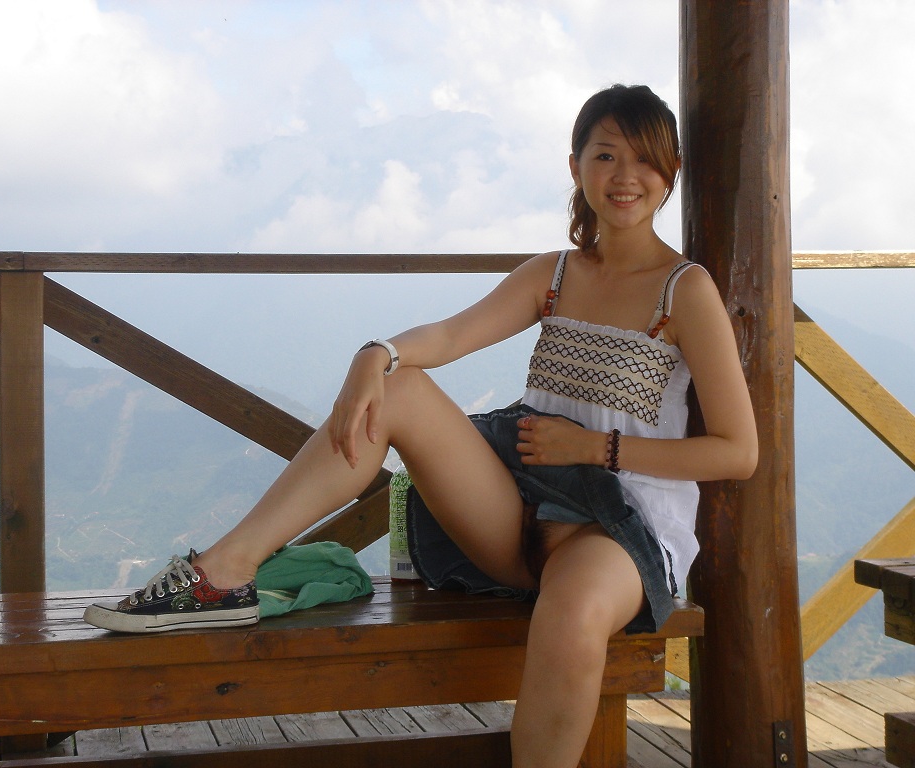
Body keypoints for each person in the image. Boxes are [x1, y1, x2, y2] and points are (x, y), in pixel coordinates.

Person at [84, 83, 758, 767]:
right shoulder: (554, 275)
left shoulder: (685, 289)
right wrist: (376, 354)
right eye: (606, 155)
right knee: (398, 385)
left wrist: (598, 447)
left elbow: (738, 452)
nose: (625, 178)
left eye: (645, 160)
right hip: (522, 508)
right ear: (576, 166)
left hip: (617, 532)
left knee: (574, 613)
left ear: (669, 172)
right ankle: (220, 575)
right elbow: (451, 334)